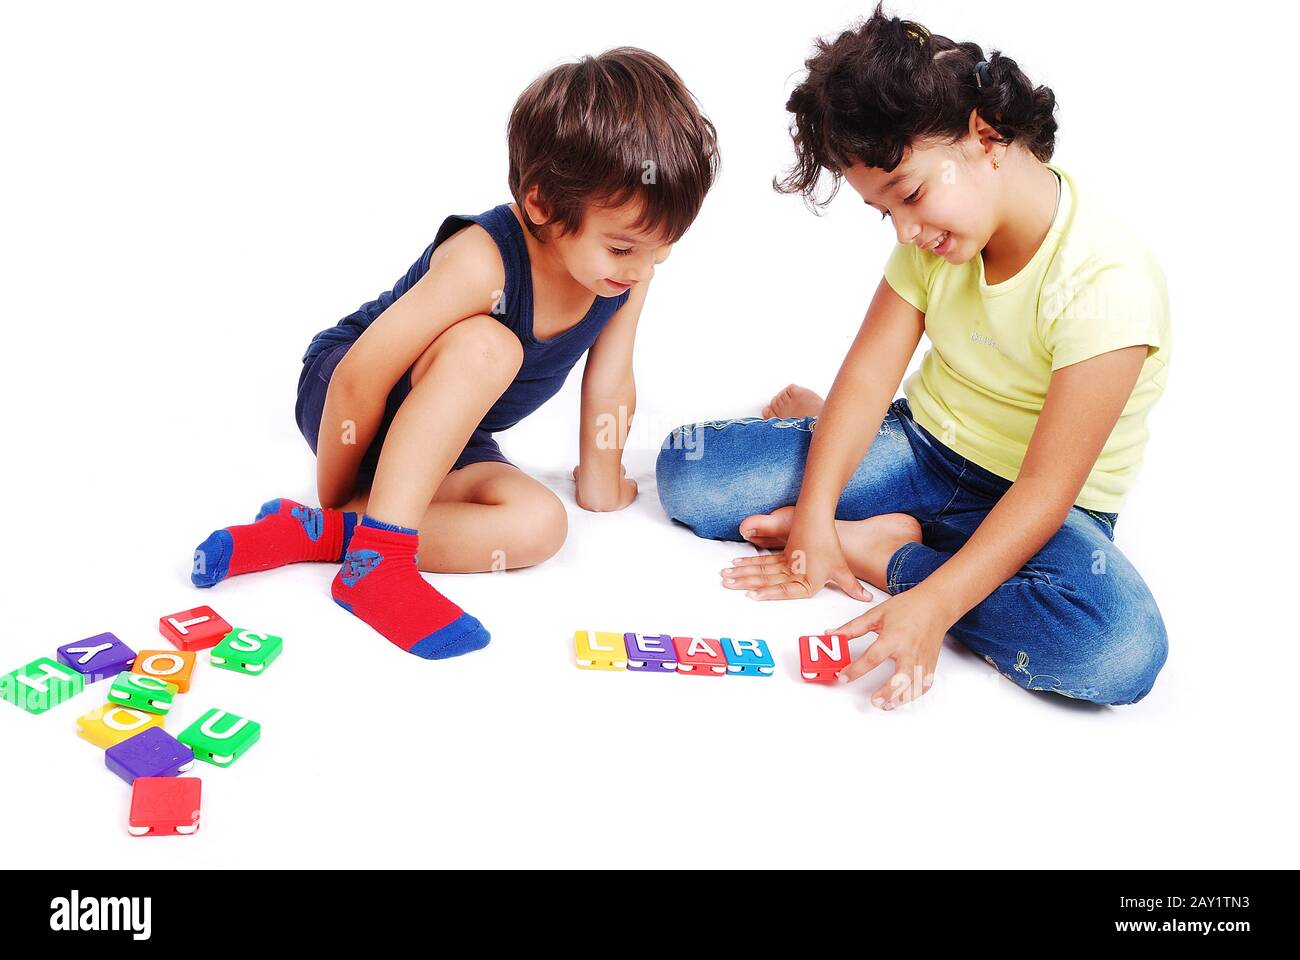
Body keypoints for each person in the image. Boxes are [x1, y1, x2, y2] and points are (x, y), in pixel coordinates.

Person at [656, 4, 1170, 709]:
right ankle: (859, 500)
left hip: (1052, 510)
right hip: (926, 450)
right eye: (884, 213)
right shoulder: (931, 244)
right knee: (690, 474)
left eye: (912, 195)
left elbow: (1044, 493)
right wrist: (811, 521)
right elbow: (868, 379)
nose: (904, 230)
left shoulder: (1108, 280)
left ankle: (884, 548)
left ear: (985, 136)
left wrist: (927, 600)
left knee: (1117, 653)